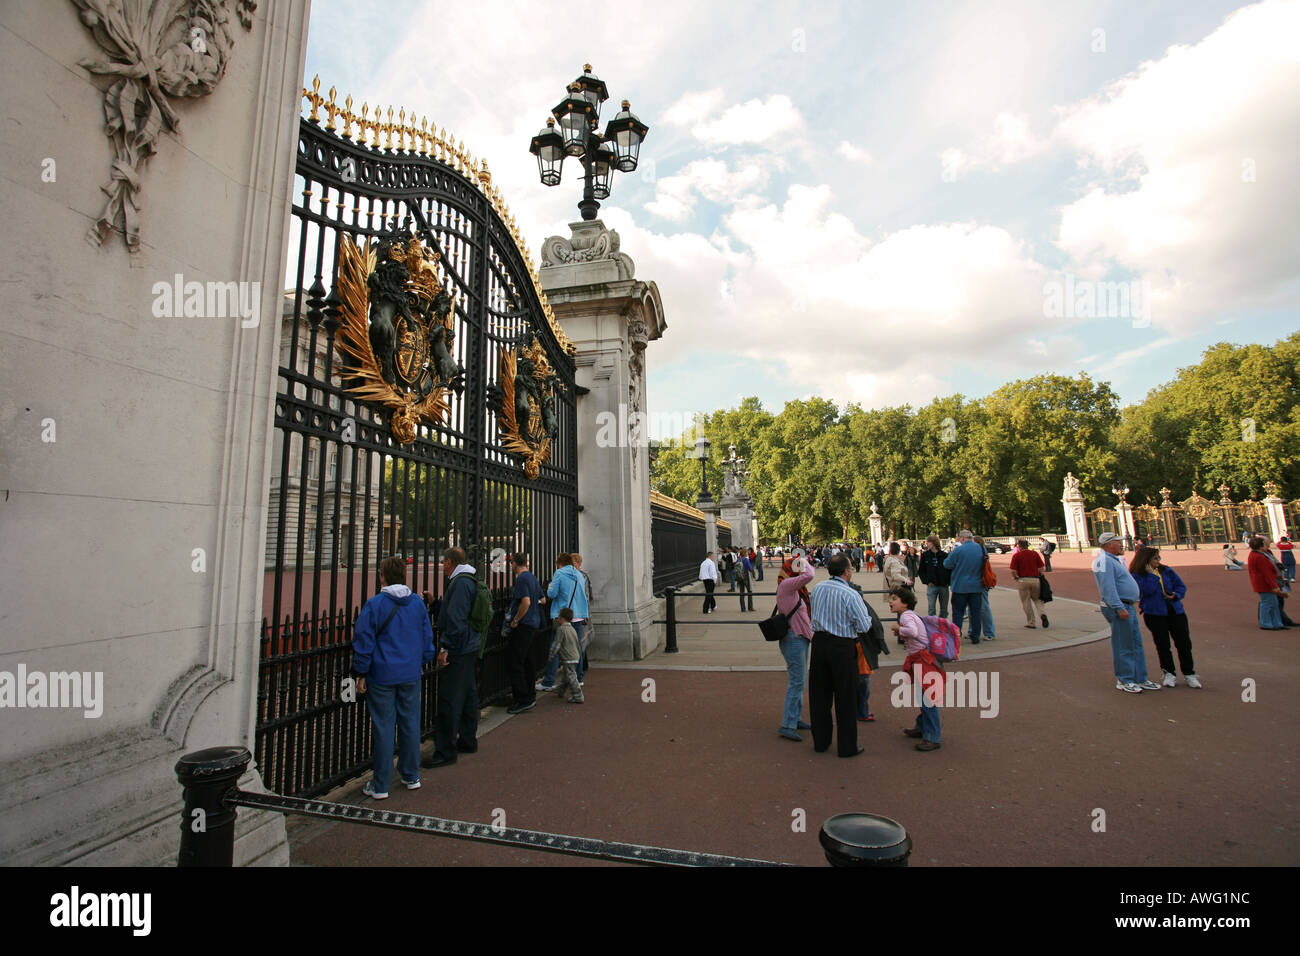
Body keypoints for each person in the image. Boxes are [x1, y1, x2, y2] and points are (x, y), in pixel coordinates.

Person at [354, 555, 436, 798]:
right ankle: (411, 775)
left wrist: (361, 672)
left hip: (382, 675)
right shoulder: (417, 604)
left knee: (384, 727)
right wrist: (419, 660)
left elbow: (364, 641)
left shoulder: (375, 604)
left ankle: (380, 784)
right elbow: (426, 637)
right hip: (410, 672)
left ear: (382, 577)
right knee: (410, 724)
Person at [808, 554, 873, 758]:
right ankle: (847, 746)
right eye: (851, 568)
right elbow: (864, 625)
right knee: (846, 698)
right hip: (843, 646)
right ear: (846, 571)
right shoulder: (851, 594)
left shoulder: (818, 588)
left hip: (819, 644)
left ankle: (821, 741)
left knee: (819, 696)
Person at [424, 547, 483, 768]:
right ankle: (468, 740)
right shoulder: (469, 579)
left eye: (443, 562)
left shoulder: (459, 583)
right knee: (468, 696)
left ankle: (445, 751)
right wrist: (436, 604)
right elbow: (457, 612)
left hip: (459, 647)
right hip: (470, 645)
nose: (442, 566)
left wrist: (445, 648)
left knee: (449, 699)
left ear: (450, 562)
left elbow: (456, 620)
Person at [1092, 532, 1160, 693]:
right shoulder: (1104, 561)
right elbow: (1108, 588)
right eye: (1117, 542)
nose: (1121, 544)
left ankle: (1139, 677)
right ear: (1109, 544)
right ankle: (1125, 679)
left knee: (1135, 643)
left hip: (1126, 605)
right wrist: (1118, 607)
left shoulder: (1113, 560)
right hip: (1119, 606)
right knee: (1124, 645)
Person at [1130, 547, 1200, 688]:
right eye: (1155, 558)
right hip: (1154, 613)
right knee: (1163, 645)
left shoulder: (1166, 571)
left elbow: (1180, 586)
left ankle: (1189, 673)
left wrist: (1175, 595)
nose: (1158, 561)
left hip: (1174, 610)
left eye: (1158, 558)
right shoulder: (1137, 575)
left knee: (1184, 643)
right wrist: (1151, 575)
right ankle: (1169, 673)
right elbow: (1146, 592)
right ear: (1147, 560)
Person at [893, 586, 940, 751]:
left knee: (927, 698)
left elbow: (912, 631)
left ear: (904, 603)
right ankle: (922, 727)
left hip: (922, 659)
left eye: (894, 599)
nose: (891, 602)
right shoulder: (909, 614)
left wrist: (900, 629)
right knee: (924, 697)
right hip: (922, 658)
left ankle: (932, 736)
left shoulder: (906, 616)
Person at [775, 555, 816, 741]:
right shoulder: (787, 585)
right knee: (797, 682)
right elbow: (809, 574)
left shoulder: (796, 589)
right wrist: (803, 561)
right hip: (794, 638)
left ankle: (795, 718)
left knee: (799, 680)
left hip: (800, 637)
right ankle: (788, 724)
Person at [537, 553, 591, 690]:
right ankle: (579, 678)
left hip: (563, 616)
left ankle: (548, 681)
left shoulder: (559, 573)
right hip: (577, 615)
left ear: (560, 563)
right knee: (576, 647)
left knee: (555, 647)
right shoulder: (579, 575)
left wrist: (549, 586)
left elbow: (552, 594)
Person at [504, 553, 544, 715]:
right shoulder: (532, 577)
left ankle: (522, 698)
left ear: (513, 563)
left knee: (515, 662)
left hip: (524, 624)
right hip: (533, 623)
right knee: (528, 661)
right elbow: (543, 600)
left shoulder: (521, 579)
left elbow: (525, 602)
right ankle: (530, 694)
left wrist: (516, 619)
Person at [944, 530, 986, 644]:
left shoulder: (958, 550)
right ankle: (975, 636)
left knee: (958, 613)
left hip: (960, 586)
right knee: (975, 613)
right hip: (977, 585)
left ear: (962, 538)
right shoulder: (981, 548)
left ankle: (956, 636)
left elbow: (947, 564)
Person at [1248, 536, 1287, 630]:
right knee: (1267, 604)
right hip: (1265, 584)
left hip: (1263, 583)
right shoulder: (1260, 557)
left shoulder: (1255, 554)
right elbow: (1267, 573)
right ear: (1261, 546)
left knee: (1273, 604)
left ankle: (1276, 623)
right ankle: (1266, 623)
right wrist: (1274, 586)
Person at [1008, 537, 1047, 628]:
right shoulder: (1034, 553)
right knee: (1037, 600)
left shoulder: (1016, 556)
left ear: (1020, 547)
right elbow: (1041, 568)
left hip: (1023, 579)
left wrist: (1015, 577)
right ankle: (1042, 614)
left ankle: (1031, 622)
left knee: (1026, 601)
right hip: (1035, 579)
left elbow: (1013, 570)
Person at [548, 607, 584, 703]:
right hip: (574, 656)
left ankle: (578, 695)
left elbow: (556, 644)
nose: (557, 619)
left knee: (571, 676)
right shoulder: (572, 629)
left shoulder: (561, 629)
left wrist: (551, 655)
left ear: (562, 618)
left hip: (568, 657)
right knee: (566, 675)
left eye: (558, 617)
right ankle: (561, 689)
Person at [917, 533, 951, 619]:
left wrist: (948, 582)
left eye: (928, 542)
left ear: (933, 543)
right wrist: (926, 581)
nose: (926, 544)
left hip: (943, 585)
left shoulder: (944, 555)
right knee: (931, 608)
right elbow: (921, 570)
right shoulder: (925, 555)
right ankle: (932, 625)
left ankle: (942, 625)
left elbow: (949, 570)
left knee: (944, 609)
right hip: (931, 585)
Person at [972, 535, 997, 640]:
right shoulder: (982, 552)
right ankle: (975, 631)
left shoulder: (980, 552)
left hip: (980, 582)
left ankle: (989, 632)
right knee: (976, 608)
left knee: (983, 607)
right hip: (979, 582)